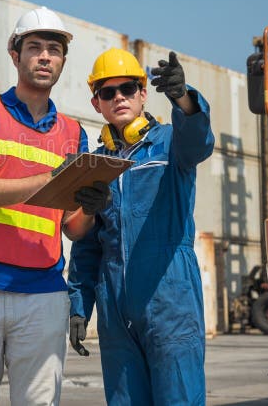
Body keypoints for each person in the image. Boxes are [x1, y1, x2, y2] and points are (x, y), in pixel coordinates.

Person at [0, 6, 103, 406]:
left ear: (63, 61)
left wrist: (93, 207)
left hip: (44, 294)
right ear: (15, 55)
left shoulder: (74, 133)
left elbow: (73, 228)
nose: (45, 56)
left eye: (54, 50)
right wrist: (49, 179)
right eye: (35, 47)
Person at [65, 48, 215, 406]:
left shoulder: (170, 144)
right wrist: (79, 305)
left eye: (128, 88)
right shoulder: (97, 164)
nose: (119, 97)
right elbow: (88, 245)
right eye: (108, 92)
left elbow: (199, 142)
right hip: (115, 311)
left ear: (143, 93)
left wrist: (183, 98)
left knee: (179, 400)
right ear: (96, 103)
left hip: (170, 300)